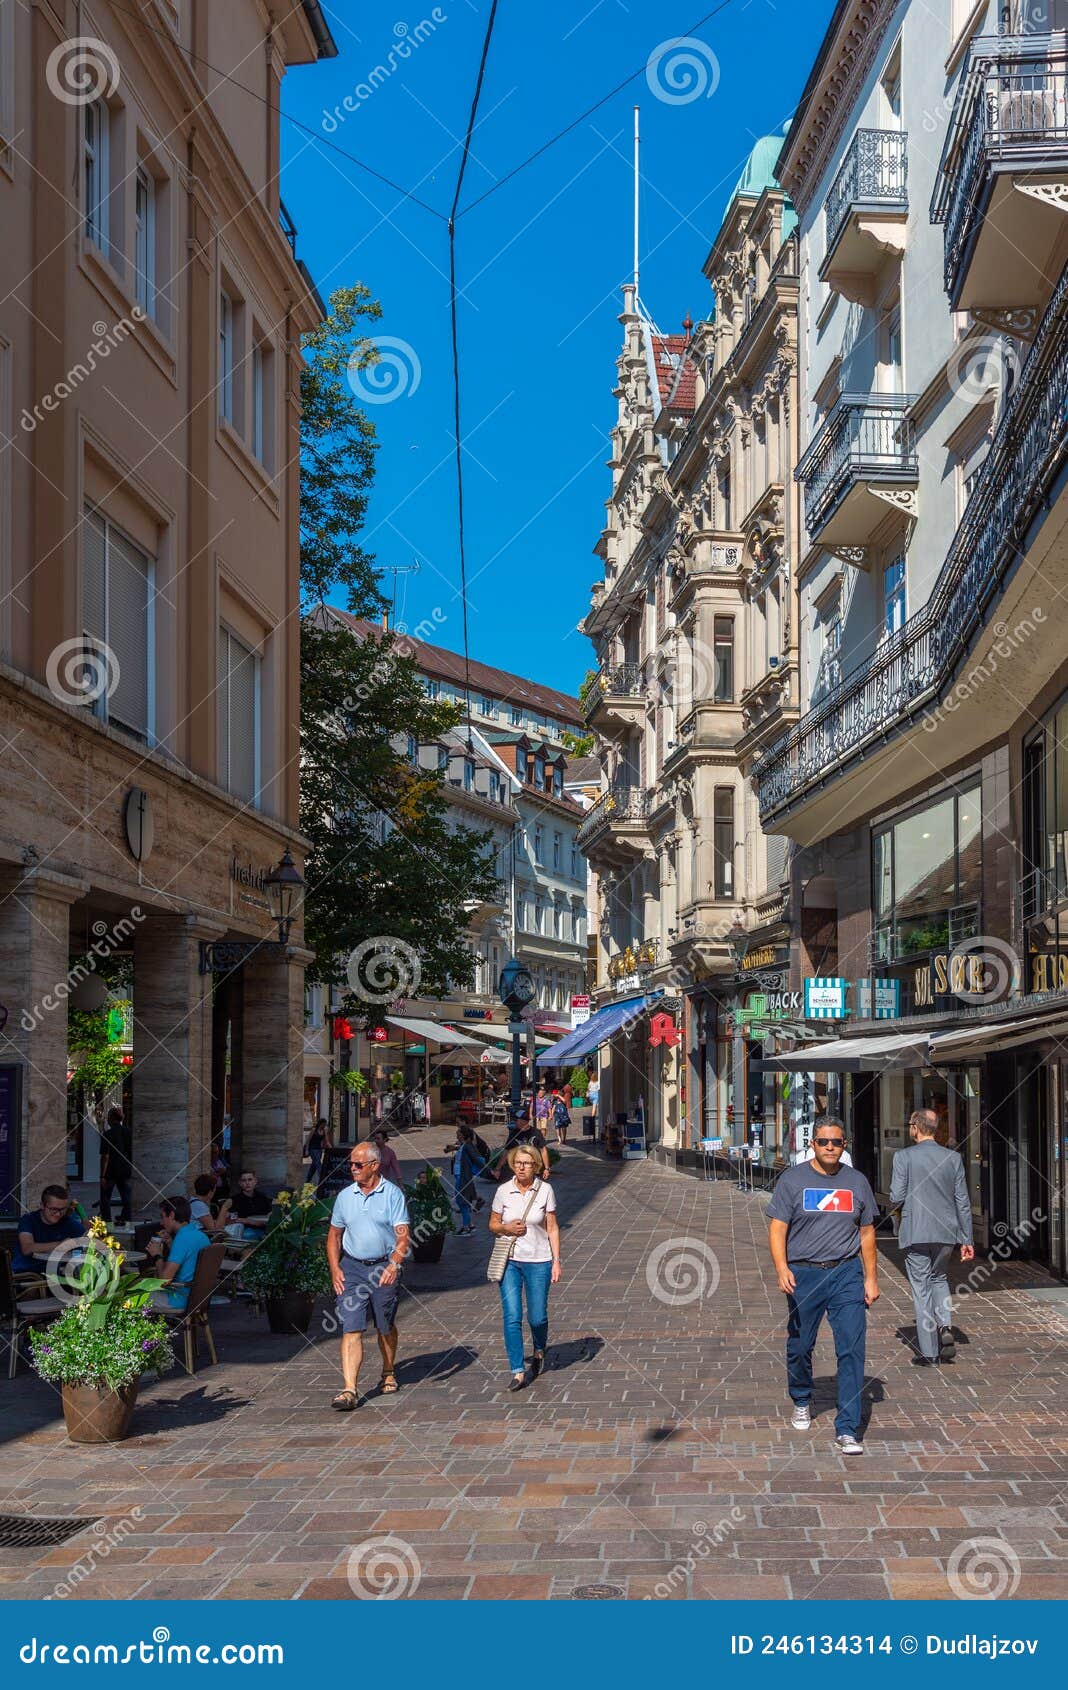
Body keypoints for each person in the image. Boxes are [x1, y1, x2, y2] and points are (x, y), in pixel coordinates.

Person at [766, 1115, 880, 1456]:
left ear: (844, 1145)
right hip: (805, 1274)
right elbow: (777, 1228)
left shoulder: (857, 1181)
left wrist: (871, 1278)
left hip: (846, 1274)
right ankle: (802, 1397)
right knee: (801, 1345)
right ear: (812, 1144)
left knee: (851, 1348)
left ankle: (847, 1429)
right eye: (823, 1142)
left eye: (837, 1142)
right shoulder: (793, 1180)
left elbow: (867, 1232)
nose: (830, 1147)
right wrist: (781, 1267)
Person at [326, 1143, 410, 1411]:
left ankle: (388, 1371)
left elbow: (403, 1235)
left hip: (382, 1266)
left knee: (384, 1325)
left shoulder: (392, 1195)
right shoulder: (345, 1196)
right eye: (350, 1164)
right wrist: (335, 1268)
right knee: (351, 1327)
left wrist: (394, 1264)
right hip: (351, 1268)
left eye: (358, 1165)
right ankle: (349, 1389)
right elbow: (334, 1235)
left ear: (374, 1165)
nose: (352, 1168)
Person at [890, 1107, 975, 1365]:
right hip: (946, 1231)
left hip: (916, 1231)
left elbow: (896, 1195)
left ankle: (929, 1352)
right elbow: (963, 1202)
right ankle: (945, 1326)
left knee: (921, 1288)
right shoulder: (952, 1158)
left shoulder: (903, 1157)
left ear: (915, 1127)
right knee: (939, 1278)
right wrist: (967, 1239)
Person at [490, 1144, 561, 1391]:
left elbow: (552, 1227)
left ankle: (539, 1348)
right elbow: (493, 1224)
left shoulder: (545, 1190)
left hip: (539, 1259)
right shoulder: (503, 1191)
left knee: (537, 1316)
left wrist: (556, 1261)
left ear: (535, 1166)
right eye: (518, 1163)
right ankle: (518, 1370)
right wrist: (505, 1229)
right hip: (510, 1261)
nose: (521, 1167)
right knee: (512, 1316)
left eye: (527, 1163)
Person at [145, 1197, 210, 1311]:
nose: (161, 1222)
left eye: (162, 1217)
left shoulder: (182, 1239)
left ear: (171, 1215)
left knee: (127, 1296)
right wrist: (170, 1242)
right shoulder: (200, 1235)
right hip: (199, 1298)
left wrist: (157, 1255)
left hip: (178, 1299)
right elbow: (187, 1259)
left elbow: (163, 1281)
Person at [13, 1186, 85, 1275]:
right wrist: (61, 1244)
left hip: (55, 1274)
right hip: (28, 1275)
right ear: (42, 1205)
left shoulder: (67, 1222)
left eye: (62, 1209)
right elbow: (27, 1249)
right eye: (53, 1209)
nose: (58, 1213)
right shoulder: (28, 1220)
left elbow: (87, 1237)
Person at [99, 1107, 133, 1225]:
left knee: (105, 1198)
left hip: (111, 1171)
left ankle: (106, 1221)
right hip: (125, 1169)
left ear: (112, 1118)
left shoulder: (107, 1134)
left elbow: (105, 1156)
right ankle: (126, 1217)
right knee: (127, 1197)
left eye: (108, 1116)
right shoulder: (128, 1132)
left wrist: (102, 1176)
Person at [449, 1126, 482, 1235]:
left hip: (463, 1177)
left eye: (458, 1133)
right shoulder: (463, 1145)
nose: (456, 1135)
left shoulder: (468, 1146)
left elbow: (476, 1158)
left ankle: (466, 1227)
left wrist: (488, 1171)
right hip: (461, 1176)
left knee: (461, 1201)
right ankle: (470, 1225)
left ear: (463, 1135)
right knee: (465, 1201)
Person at [229, 1170, 272, 1240]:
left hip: (265, 1228)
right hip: (245, 1229)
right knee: (248, 1235)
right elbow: (230, 1219)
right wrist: (248, 1221)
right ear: (240, 1183)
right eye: (244, 1180)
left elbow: (270, 1212)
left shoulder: (262, 1197)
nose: (247, 1183)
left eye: (250, 1179)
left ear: (255, 1181)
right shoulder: (235, 1200)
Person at [306, 1117, 332, 1184]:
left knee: (314, 1166)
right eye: (323, 1124)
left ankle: (307, 1181)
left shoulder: (324, 1131)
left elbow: (326, 1141)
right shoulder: (314, 1130)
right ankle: (322, 1178)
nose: (324, 1126)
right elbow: (308, 1141)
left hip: (319, 1149)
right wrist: (306, 1150)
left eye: (325, 1125)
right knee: (318, 1163)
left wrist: (331, 1148)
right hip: (312, 1149)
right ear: (320, 1124)